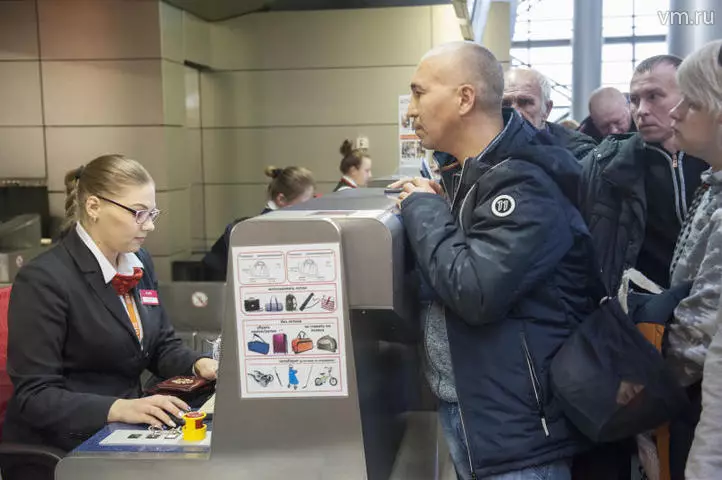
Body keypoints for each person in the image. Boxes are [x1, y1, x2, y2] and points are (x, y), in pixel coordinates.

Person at [391, 41, 594, 480]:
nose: (410, 111)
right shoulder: (470, 177)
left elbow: (476, 291)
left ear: (465, 98)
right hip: (479, 412)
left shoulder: (525, 182)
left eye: (419, 93)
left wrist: (424, 211)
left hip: (519, 434)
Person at [4, 155, 218, 458]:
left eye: (152, 213)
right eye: (138, 213)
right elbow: (35, 396)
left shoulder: (138, 262)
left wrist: (201, 365)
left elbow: (159, 347)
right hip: (66, 440)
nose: (150, 226)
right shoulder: (44, 280)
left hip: (126, 424)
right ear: (93, 207)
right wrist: (119, 408)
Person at [579, 55, 708, 292]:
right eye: (635, 100)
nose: (641, 111)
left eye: (654, 96)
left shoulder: (712, 159)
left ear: (687, 96)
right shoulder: (606, 165)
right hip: (640, 311)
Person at [656, 39, 722, 480]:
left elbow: (702, 332)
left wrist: (644, 385)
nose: (674, 113)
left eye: (691, 102)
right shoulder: (712, 187)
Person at [202, 166, 315, 280]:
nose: (308, 210)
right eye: (304, 205)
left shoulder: (239, 229)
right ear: (281, 199)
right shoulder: (241, 231)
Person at [503, 67, 596, 159]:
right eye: (505, 104)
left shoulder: (578, 153)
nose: (515, 113)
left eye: (525, 102)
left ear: (547, 109)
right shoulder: (491, 150)